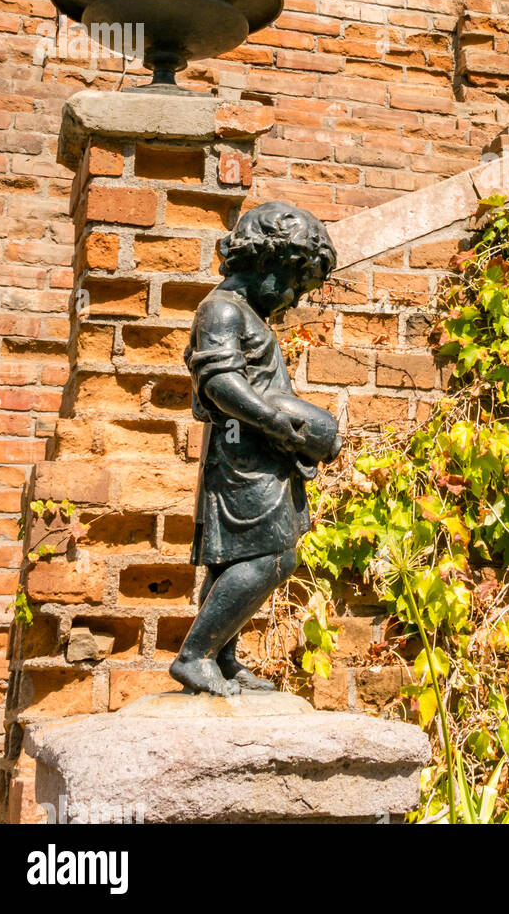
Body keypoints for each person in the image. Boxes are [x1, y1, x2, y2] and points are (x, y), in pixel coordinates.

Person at [169, 201, 340, 697]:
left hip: (263, 459)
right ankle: (194, 656)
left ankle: (220, 654)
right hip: (242, 459)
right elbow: (221, 382)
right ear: (269, 262)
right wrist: (278, 422)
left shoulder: (251, 317)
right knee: (271, 559)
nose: (292, 301)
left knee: (238, 561)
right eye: (294, 286)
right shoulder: (222, 310)